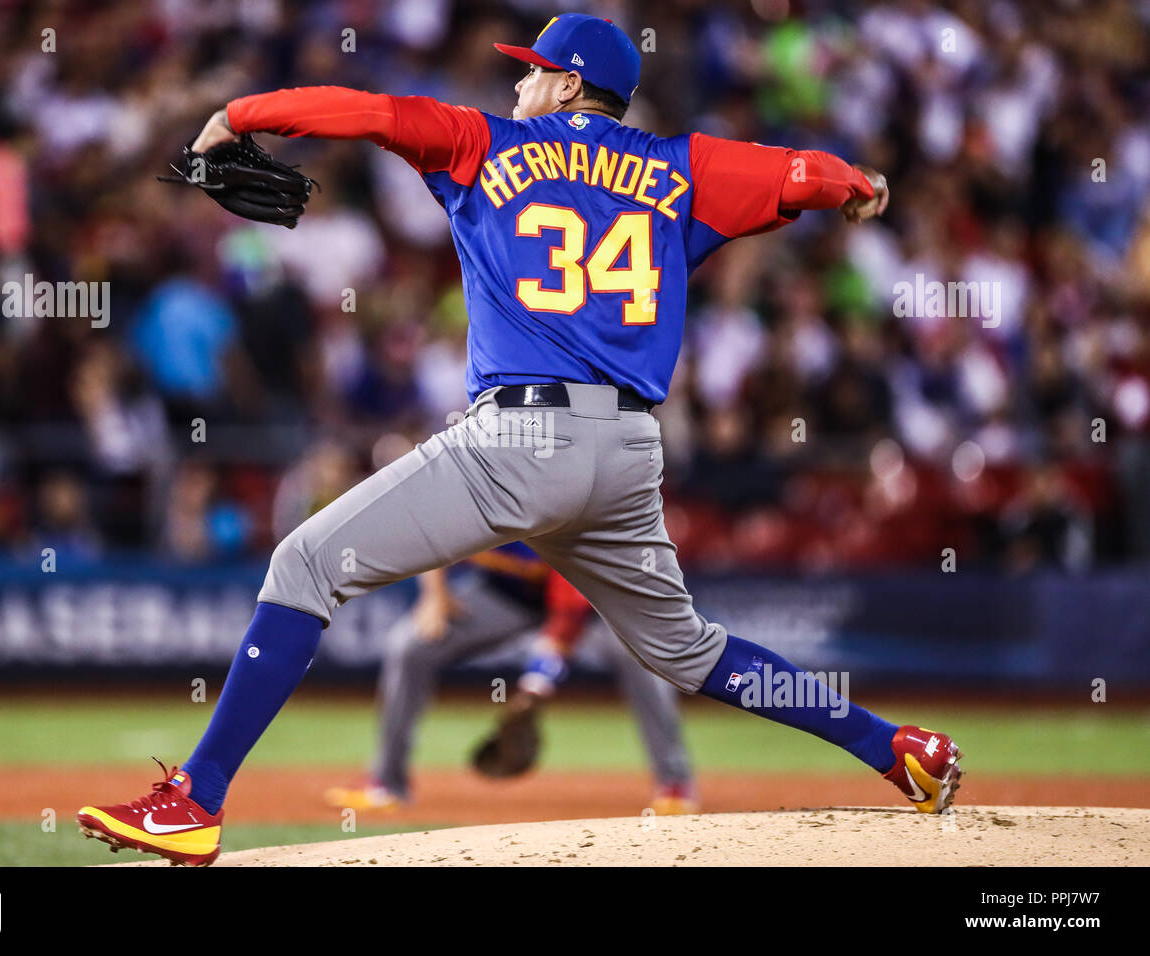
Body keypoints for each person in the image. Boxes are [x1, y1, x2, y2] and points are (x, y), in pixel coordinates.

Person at [79, 14, 959, 867]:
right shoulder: (687, 165)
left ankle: (194, 802)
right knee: (688, 650)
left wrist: (236, 117)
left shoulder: (482, 142)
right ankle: (897, 750)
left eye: (532, 67)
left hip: (521, 437)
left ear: (569, 81)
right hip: (625, 453)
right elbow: (805, 173)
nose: (518, 79)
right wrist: (856, 186)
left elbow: (360, 110)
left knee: (303, 566)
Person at [323, 543, 698, 815]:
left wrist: (535, 688)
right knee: (408, 646)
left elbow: (564, 620)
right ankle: (387, 784)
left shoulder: (559, 516)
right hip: (503, 597)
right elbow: (427, 536)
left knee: (639, 658)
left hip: (596, 600)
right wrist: (435, 596)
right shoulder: (475, 497)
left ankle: (675, 783)